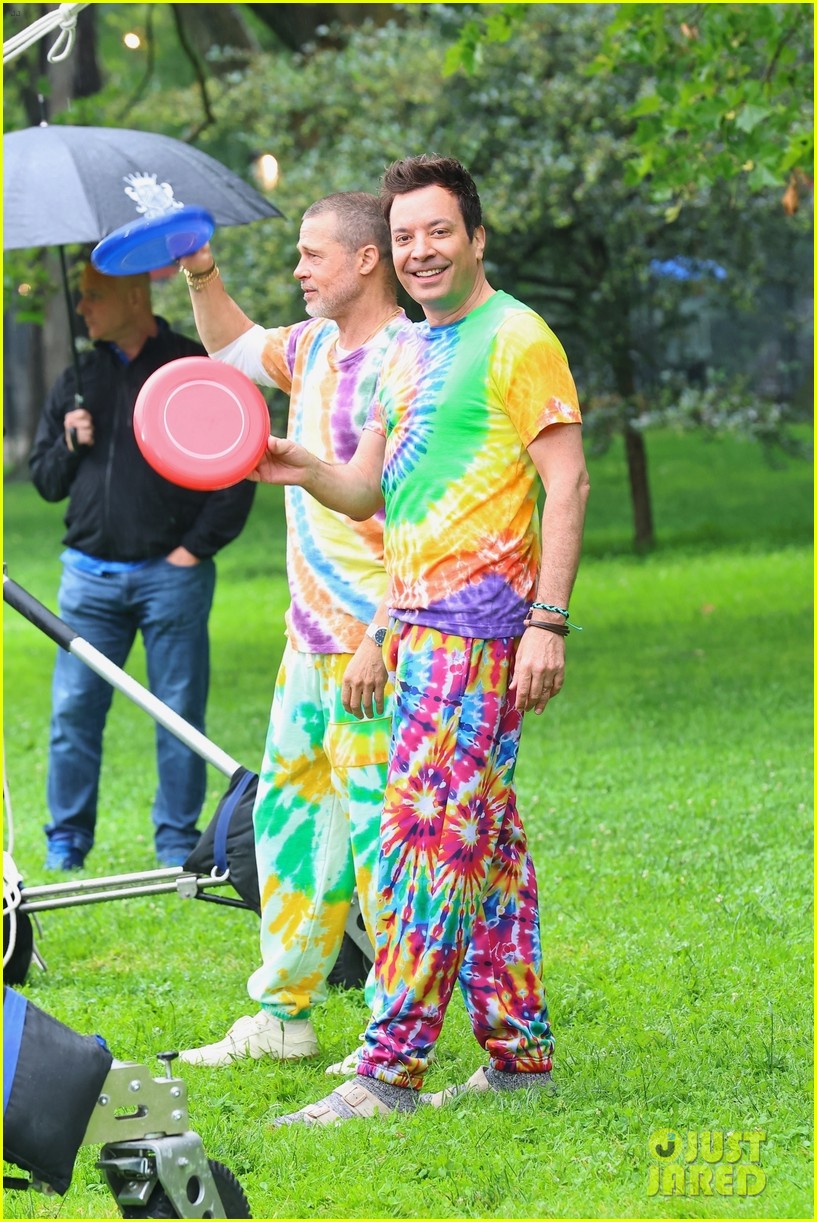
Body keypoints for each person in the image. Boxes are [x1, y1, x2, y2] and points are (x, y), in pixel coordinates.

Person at [247, 155, 591, 1124]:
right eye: (403, 237)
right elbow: (371, 491)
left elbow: (564, 484)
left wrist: (546, 622)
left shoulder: (515, 337)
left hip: (483, 633)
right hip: (417, 629)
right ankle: (519, 1061)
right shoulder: (405, 351)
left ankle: (386, 1074)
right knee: (487, 852)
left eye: (438, 231)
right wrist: (303, 466)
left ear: (475, 238)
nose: (421, 250)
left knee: (418, 843)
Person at [174, 192, 411, 1069]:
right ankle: (283, 1015)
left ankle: (396, 1033)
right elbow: (232, 348)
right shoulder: (312, 347)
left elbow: (423, 523)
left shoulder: (409, 361)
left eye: (313, 254)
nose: (299, 269)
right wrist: (200, 269)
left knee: (384, 843)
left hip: (375, 654)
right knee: (290, 829)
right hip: (305, 645)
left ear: (365, 261)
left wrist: (379, 637)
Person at [29, 265, 256, 872]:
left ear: (134, 296)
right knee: (74, 712)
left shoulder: (188, 368)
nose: (83, 308)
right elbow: (45, 482)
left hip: (171, 577)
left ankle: (175, 846)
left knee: (178, 715)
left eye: (93, 296)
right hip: (88, 577)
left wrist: (194, 551)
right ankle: (66, 843)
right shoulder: (78, 378)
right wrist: (70, 442)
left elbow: (237, 465)